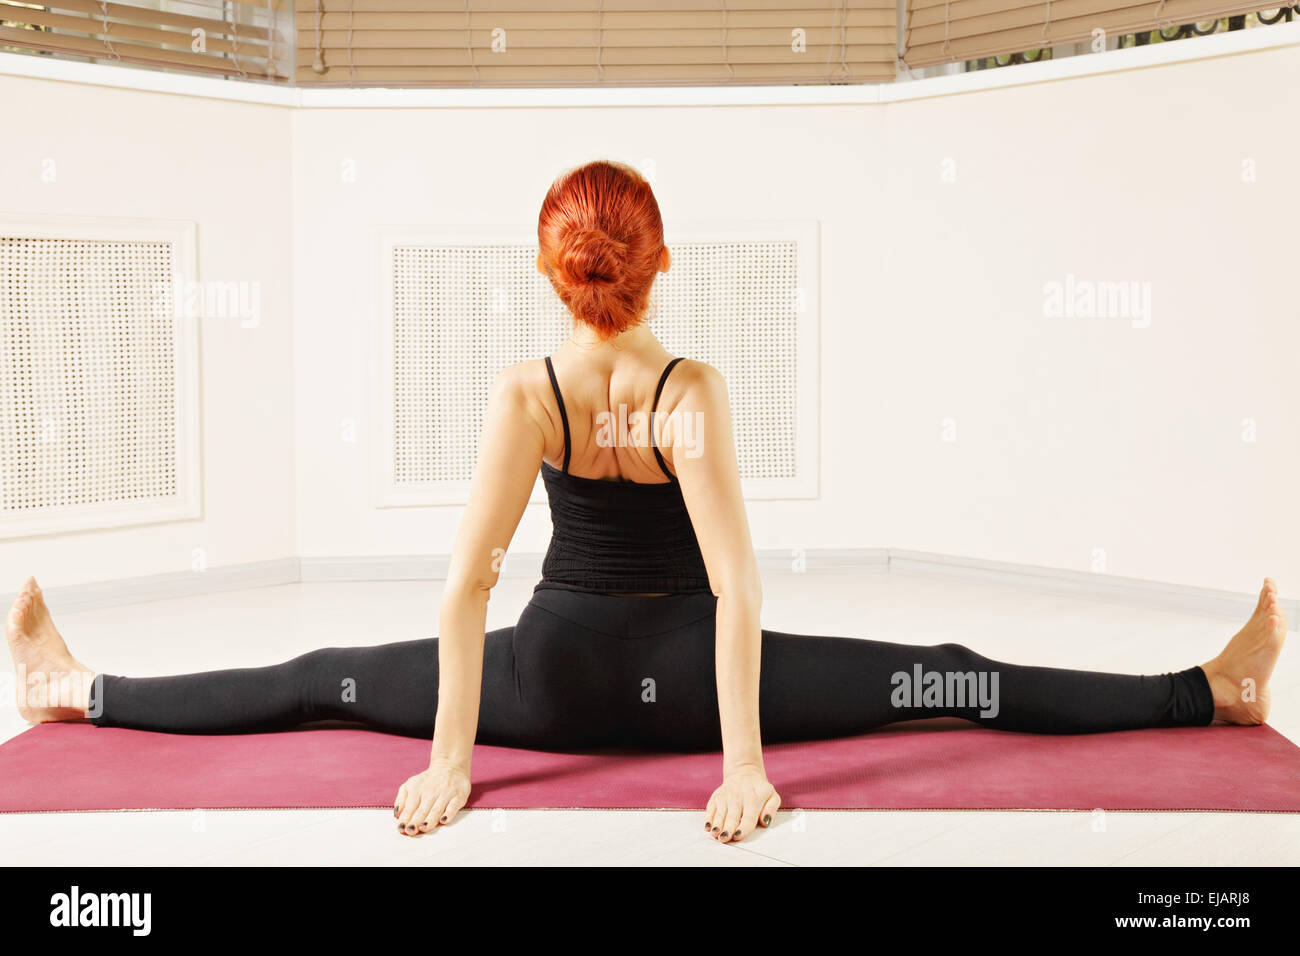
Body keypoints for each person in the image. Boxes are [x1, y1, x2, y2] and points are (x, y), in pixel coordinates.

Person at [5, 160, 1286, 844]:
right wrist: (739, 769)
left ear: (555, 273)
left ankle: (77, 689)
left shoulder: (527, 392)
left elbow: (464, 585)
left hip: (541, 687)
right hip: (703, 686)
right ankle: (1208, 692)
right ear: (657, 256)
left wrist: (455, 757)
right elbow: (738, 588)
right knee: (956, 674)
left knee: (317, 669)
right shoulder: (690, 388)